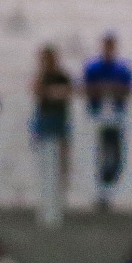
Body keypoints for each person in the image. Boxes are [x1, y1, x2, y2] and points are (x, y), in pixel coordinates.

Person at [84, 34, 132, 209]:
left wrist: (109, 88)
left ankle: (108, 189)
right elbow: (87, 88)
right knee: (100, 152)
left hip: (116, 116)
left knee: (115, 152)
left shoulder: (122, 68)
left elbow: (128, 90)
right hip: (97, 116)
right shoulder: (93, 67)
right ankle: (100, 190)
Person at [31, 45, 75, 213]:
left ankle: (60, 195)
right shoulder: (41, 77)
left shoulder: (62, 76)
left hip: (58, 120)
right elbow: (37, 91)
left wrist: (50, 92)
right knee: (45, 156)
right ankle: (46, 195)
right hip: (44, 119)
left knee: (61, 159)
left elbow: (65, 92)